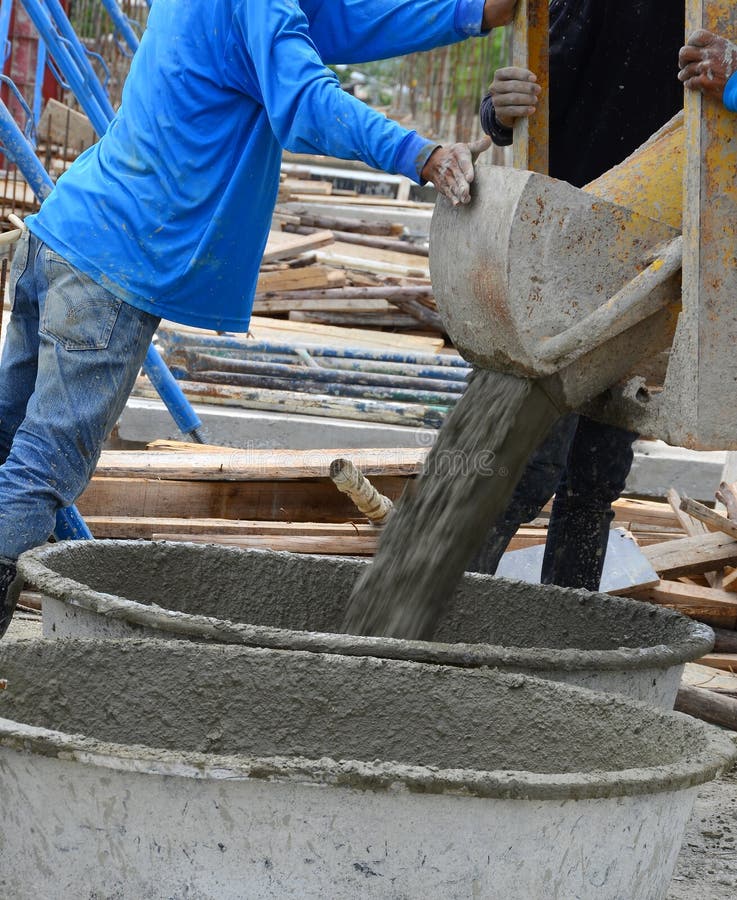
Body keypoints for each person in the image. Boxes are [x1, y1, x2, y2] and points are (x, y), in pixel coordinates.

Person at [0, 0, 520, 638]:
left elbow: (339, 25)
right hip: (112, 269)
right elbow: (304, 101)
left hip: (59, 236)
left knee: (7, 447)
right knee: (39, 472)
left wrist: (471, 15)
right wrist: (420, 153)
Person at [470, 0, 684, 589]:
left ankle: (562, 641)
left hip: (653, 272)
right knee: (523, 470)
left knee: (595, 478)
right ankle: (436, 632)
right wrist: (497, 110)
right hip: (560, 259)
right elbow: (521, 98)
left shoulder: (720, 24)